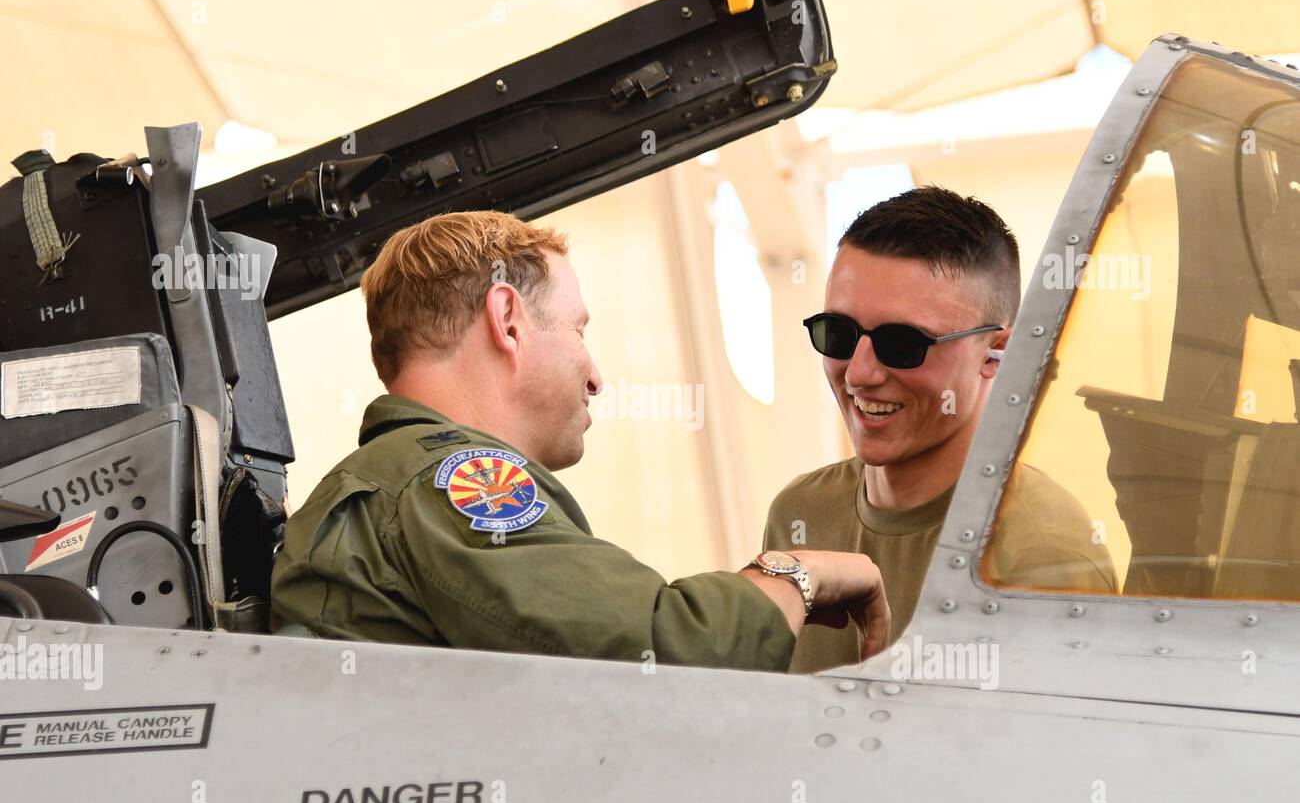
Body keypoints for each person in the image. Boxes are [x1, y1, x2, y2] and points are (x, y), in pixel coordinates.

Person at [270, 211, 889, 671]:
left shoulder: (395, 486)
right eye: (577, 330)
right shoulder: (449, 482)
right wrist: (799, 574)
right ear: (508, 321)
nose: (596, 377)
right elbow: (673, 651)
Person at [763, 187, 1117, 673]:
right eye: (838, 333)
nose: (859, 373)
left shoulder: (1044, 556)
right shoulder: (799, 513)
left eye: (902, 344)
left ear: (998, 352)